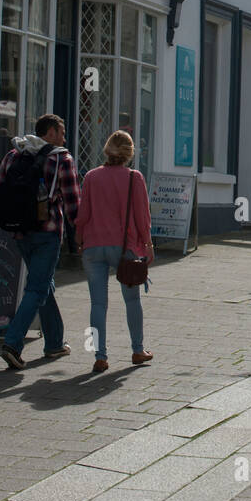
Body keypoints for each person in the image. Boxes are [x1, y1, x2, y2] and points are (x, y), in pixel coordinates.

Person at [0, 113, 81, 370]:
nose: (64, 138)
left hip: (19, 232)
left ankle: (54, 343)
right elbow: (74, 202)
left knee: (43, 283)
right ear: (51, 132)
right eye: (62, 132)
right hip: (47, 232)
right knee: (37, 288)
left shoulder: (13, 155)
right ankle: (12, 343)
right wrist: (82, 236)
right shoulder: (62, 158)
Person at [76, 130, 154, 374]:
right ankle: (137, 350)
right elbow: (142, 217)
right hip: (125, 248)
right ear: (130, 153)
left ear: (107, 150)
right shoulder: (134, 178)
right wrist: (148, 245)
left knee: (98, 303)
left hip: (93, 246)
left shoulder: (91, 177)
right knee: (132, 300)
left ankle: (100, 355)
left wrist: (79, 240)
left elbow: (83, 214)